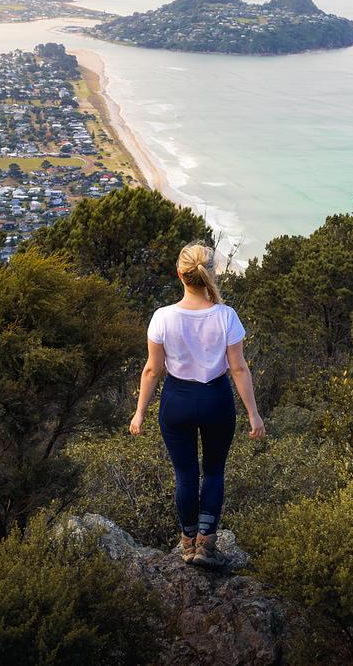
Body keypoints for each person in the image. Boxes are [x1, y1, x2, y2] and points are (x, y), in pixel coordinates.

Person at [129, 241, 265, 568]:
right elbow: (238, 368)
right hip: (216, 399)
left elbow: (152, 369)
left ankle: (187, 542)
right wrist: (253, 413)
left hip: (177, 402)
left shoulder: (162, 317)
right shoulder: (226, 316)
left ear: (180, 274)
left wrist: (140, 412)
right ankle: (206, 543)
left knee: (185, 474)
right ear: (212, 273)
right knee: (214, 471)